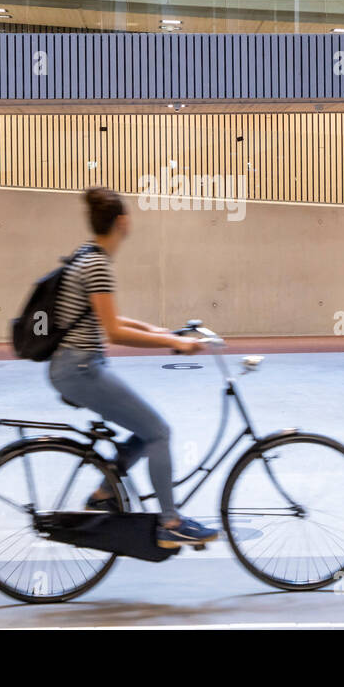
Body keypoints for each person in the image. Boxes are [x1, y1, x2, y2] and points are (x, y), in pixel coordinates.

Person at [48, 186, 220, 548]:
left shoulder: (87, 255)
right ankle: (169, 522)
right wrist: (175, 343)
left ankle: (103, 494)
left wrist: (160, 331)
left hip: (77, 366)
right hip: (80, 369)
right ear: (123, 223)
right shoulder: (96, 264)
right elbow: (113, 330)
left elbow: (107, 316)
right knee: (158, 432)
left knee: (144, 431)